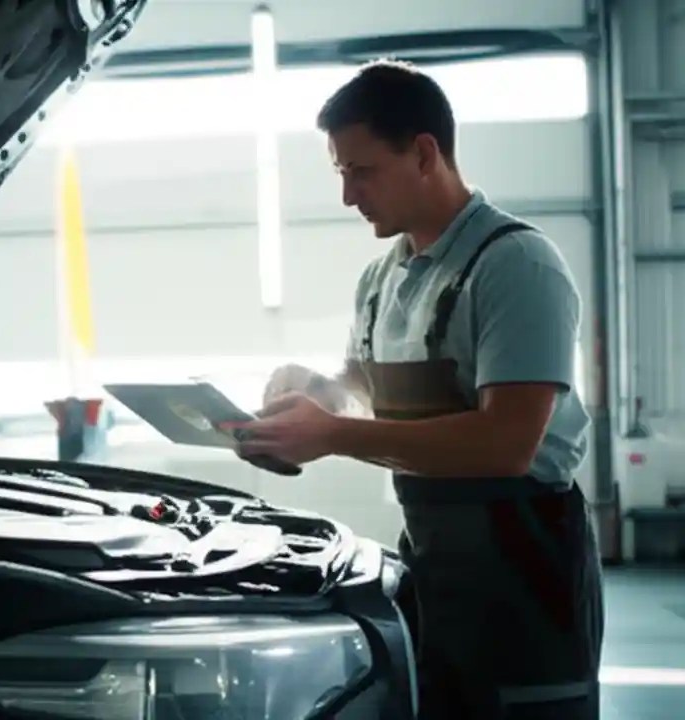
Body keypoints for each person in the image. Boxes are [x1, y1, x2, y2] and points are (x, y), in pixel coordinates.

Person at [227, 60, 605, 719]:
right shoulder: (380, 278)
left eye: (361, 171)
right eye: (341, 173)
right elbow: (361, 390)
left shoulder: (515, 264)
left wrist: (333, 435)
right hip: (434, 568)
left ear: (425, 153)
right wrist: (307, 392)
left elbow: (507, 442)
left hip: (527, 576)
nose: (348, 195)